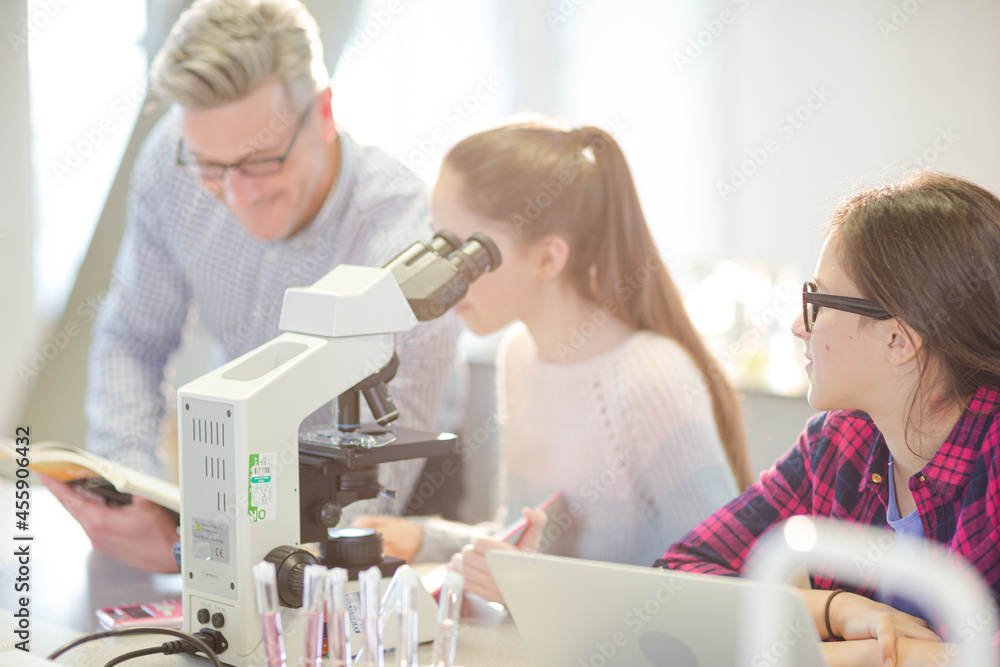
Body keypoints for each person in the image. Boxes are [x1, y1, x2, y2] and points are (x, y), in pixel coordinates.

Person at [41, 0, 460, 573]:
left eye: (261, 161)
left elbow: (375, 481)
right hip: (232, 500)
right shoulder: (170, 160)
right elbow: (133, 338)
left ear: (323, 113)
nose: (237, 195)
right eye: (212, 167)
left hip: (372, 528)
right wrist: (129, 487)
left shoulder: (400, 235)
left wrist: (198, 549)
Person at [355, 117, 754, 602]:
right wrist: (426, 538)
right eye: (438, 240)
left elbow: (728, 586)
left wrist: (535, 589)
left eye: (462, 251)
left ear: (548, 258)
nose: (442, 274)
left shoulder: (653, 375)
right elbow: (530, 542)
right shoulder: (520, 356)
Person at [658, 172, 1000, 666]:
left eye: (816, 303)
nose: (800, 326)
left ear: (898, 341)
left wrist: (863, 659)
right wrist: (835, 611)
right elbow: (680, 573)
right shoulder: (841, 439)